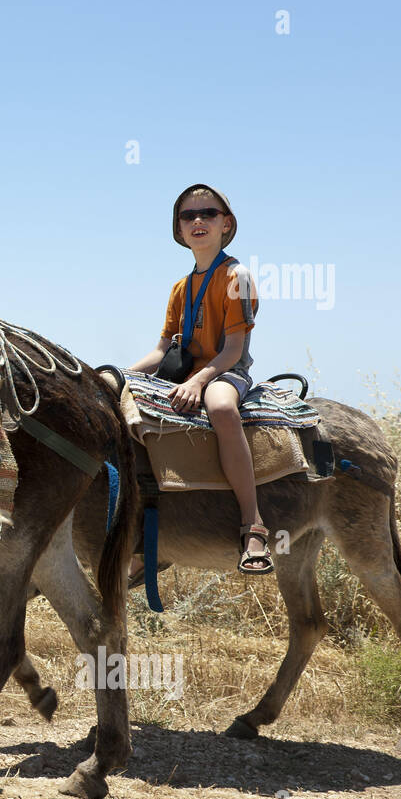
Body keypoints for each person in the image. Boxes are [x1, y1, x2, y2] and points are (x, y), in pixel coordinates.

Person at [128, 183, 273, 577]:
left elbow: (231, 350)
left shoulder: (237, 275)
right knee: (120, 406)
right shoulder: (180, 287)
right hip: (185, 376)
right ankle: (142, 528)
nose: (197, 221)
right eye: (188, 215)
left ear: (226, 224)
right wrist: (120, 375)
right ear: (178, 229)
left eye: (208, 213)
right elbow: (162, 350)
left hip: (227, 373)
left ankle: (252, 524)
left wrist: (199, 382)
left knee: (222, 408)